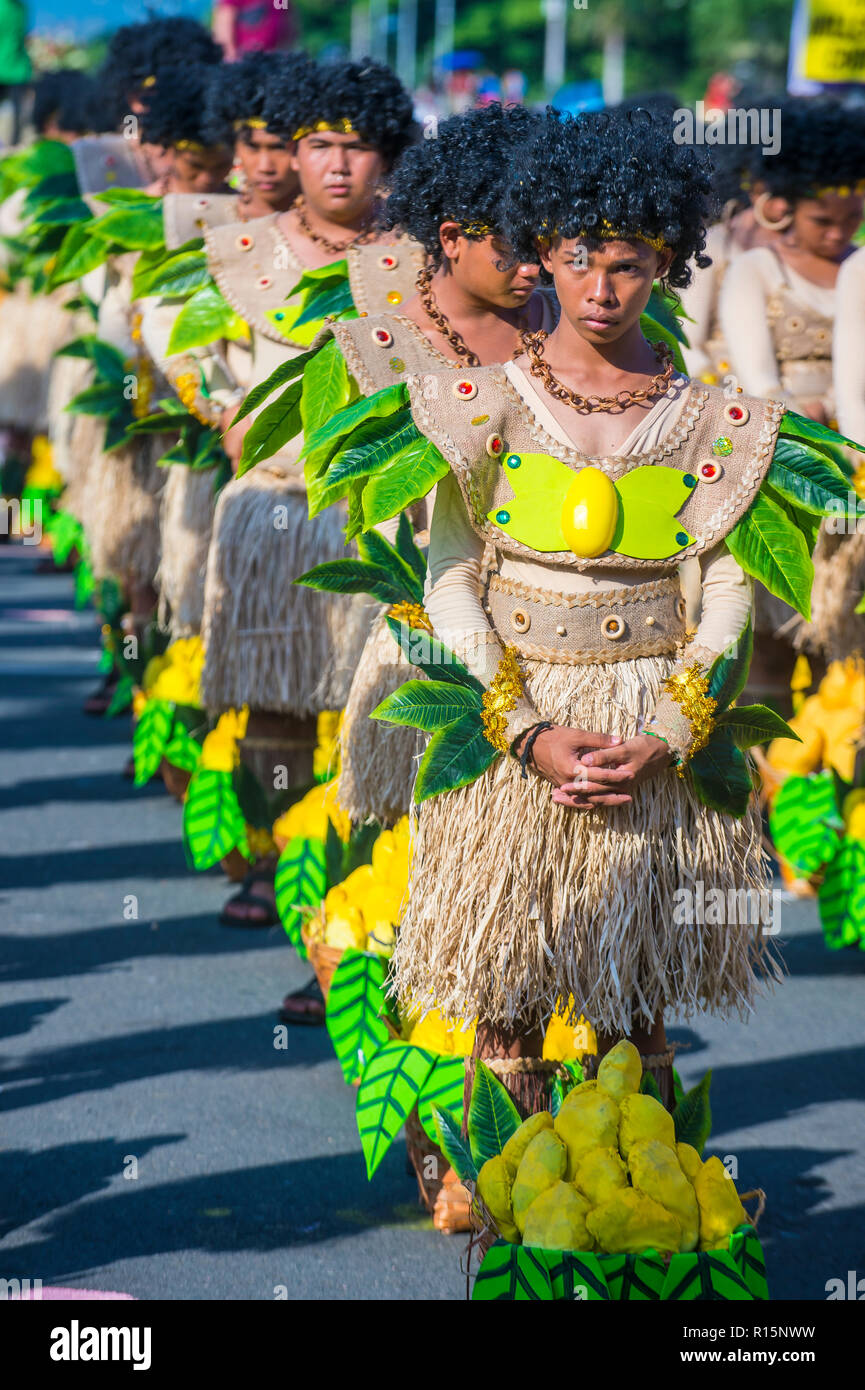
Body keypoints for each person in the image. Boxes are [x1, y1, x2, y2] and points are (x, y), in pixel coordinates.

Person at [308, 107, 850, 1111]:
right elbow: (450, 585)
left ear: (669, 263)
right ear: (543, 255)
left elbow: (726, 587)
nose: (600, 290)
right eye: (574, 258)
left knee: (630, 996)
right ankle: (509, 1215)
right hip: (522, 715)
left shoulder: (714, 420)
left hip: (650, 712)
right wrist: (522, 730)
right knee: (507, 991)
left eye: (629, 265)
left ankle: (627, 1216)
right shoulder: (481, 406)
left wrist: (668, 730)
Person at [718, 98, 865, 699]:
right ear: (783, 208)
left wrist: (853, 453)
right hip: (779, 461)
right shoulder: (756, 269)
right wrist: (809, 427)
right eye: (821, 222)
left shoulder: (859, 269)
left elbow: (856, 384)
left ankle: (837, 778)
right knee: (774, 641)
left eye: (851, 220)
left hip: (853, 461)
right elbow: (758, 383)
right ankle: (765, 775)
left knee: (846, 646)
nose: (837, 235)